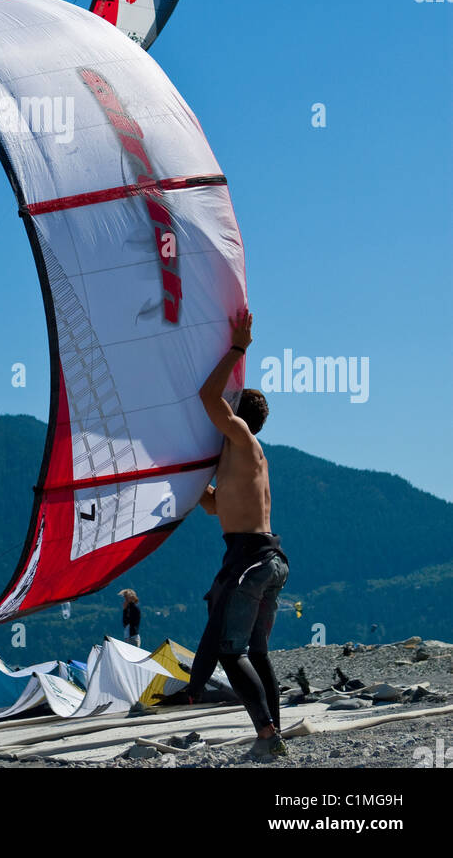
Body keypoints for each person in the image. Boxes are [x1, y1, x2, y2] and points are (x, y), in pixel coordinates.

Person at [184, 308, 290, 758]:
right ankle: (274, 733)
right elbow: (213, 507)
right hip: (269, 561)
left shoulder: (243, 437)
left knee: (231, 650)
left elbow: (207, 396)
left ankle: (266, 735)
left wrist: (239, 347)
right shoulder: (240, 461)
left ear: (235, 414)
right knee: (257, 653)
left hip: (250, 563)